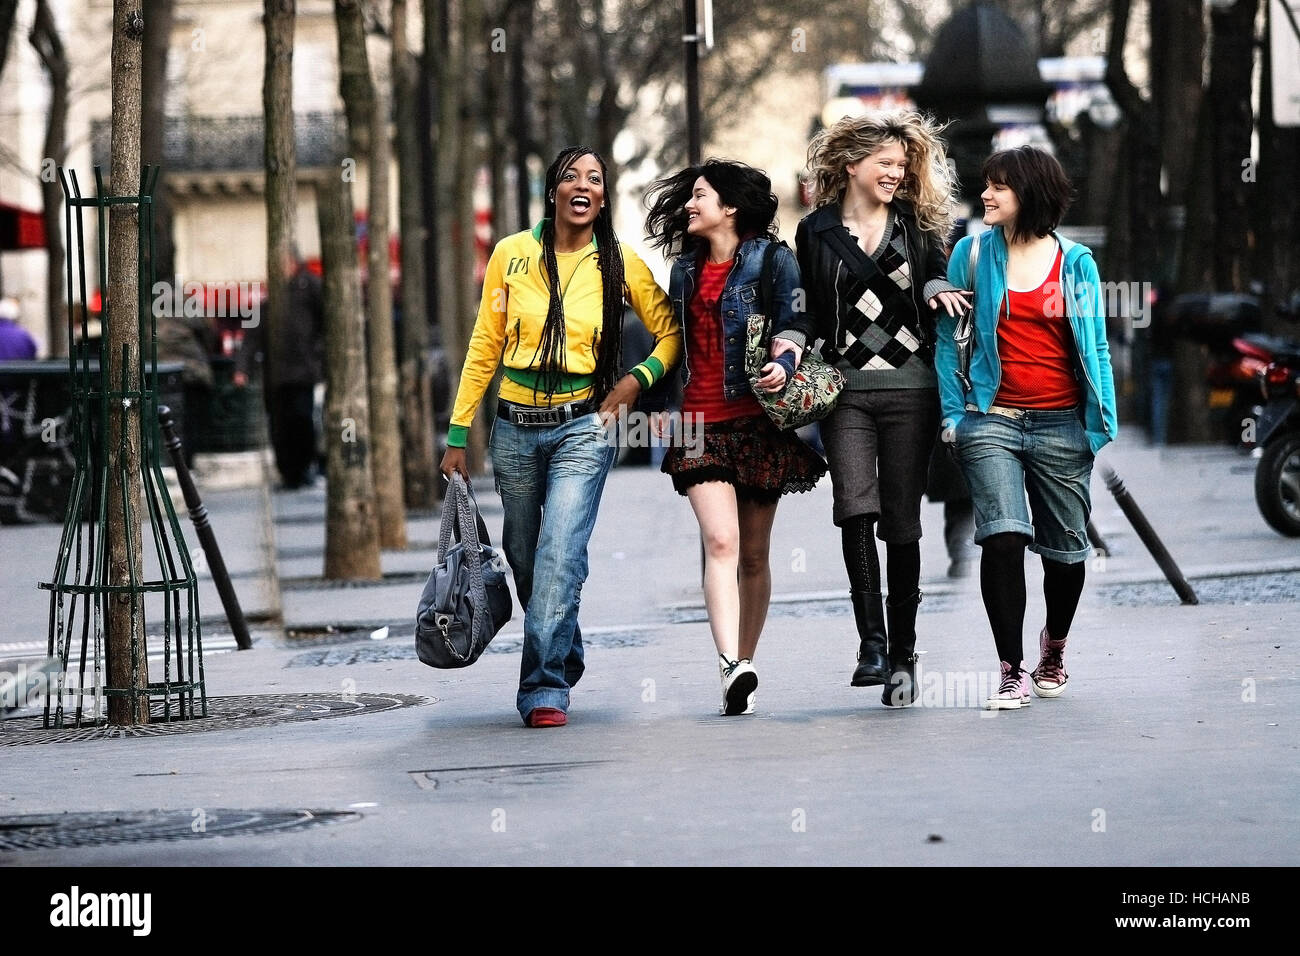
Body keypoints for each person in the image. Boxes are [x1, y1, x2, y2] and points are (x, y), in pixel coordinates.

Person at [440, 145, 681, 729]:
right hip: (516, 425)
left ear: (602, 196)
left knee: (559, 553)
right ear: (553, 190)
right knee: (524, 554)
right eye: (572, 176)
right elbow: (484, 344)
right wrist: (457, 430)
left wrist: (633, 383)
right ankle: (563, 644)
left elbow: (670, 333)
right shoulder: (511, 255)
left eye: (595, 179)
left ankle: (543, 686)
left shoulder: (619, 263)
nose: (584, 185)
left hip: (586, 424)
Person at [795, 110, 969, 707]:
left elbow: (938, 274)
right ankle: (871, 644)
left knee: (901, 521)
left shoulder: (918, 225)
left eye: (901, 164)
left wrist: (935, 288)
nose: (895, 173)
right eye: (884, 164)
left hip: (912, 391)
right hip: (844, 393)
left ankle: (904, 653)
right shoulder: (816, 230)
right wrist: (788, 349)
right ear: (852, 166)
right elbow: (809, 311)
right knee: (854, 508)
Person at [936, 145, 1117, 710]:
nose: (986, 194)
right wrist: (952, 415)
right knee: (1003, 534)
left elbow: (1097, 346)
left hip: (1063, 423)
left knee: (1066, 551)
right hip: (991, 419)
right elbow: (948, 341)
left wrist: (1099, 422)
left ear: (1031, 194)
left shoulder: (1076, 264)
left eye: (1000, 186)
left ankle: (1053, 646)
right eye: (985, 183)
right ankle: (1010, 668)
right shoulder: (969, 255)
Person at [644, 159, 826, 716]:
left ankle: (743, 665)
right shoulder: (684, 271)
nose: (689, 205)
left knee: (753, 553)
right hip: (699, 424)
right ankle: (731, 662)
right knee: (719, 541)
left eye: (699, 196)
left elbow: (798, 319)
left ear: (730, 208)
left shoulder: (773, 261)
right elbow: (675, 343)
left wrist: (785, 357)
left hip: (758, 423)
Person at [234, 248, 324, 489]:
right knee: (279, 424)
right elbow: (251, 338)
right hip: (276, 376)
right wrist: (242, 368)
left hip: (303, 371)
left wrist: (319, 356)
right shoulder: (268, 302)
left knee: (301, 420)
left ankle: (303, 468)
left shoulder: (310, 288)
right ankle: (288, 472)